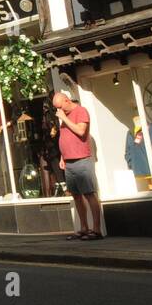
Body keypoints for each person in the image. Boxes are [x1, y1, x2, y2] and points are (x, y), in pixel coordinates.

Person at [53, 91, 103, 240]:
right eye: (57, 108)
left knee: (89, 194)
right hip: (69, 162)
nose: (59, 111)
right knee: (76, 196)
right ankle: (83, 228)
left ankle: (97, 230)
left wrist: (64, 119)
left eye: (60, 107)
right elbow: (66, 137)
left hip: (82, 160)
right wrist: (63, 156)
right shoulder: (64, 115)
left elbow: (81, 131)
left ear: (67, 100)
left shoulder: (80, 111)